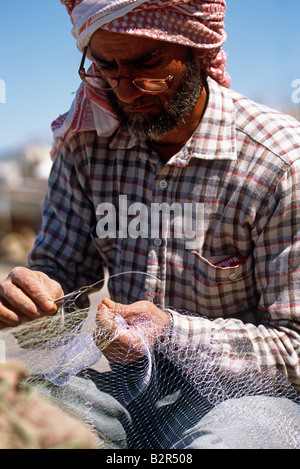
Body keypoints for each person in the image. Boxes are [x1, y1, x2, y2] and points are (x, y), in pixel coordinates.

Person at [0, 0, 300, 449]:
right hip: (121, 387)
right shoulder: (85, 147)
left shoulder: (279, 163)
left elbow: (295, 350)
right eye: (107, 66)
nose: (125, 91)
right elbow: (61, 278)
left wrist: (170, 332)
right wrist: (31, 300)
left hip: (248, 398)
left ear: (198, 51)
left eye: (148, 64)